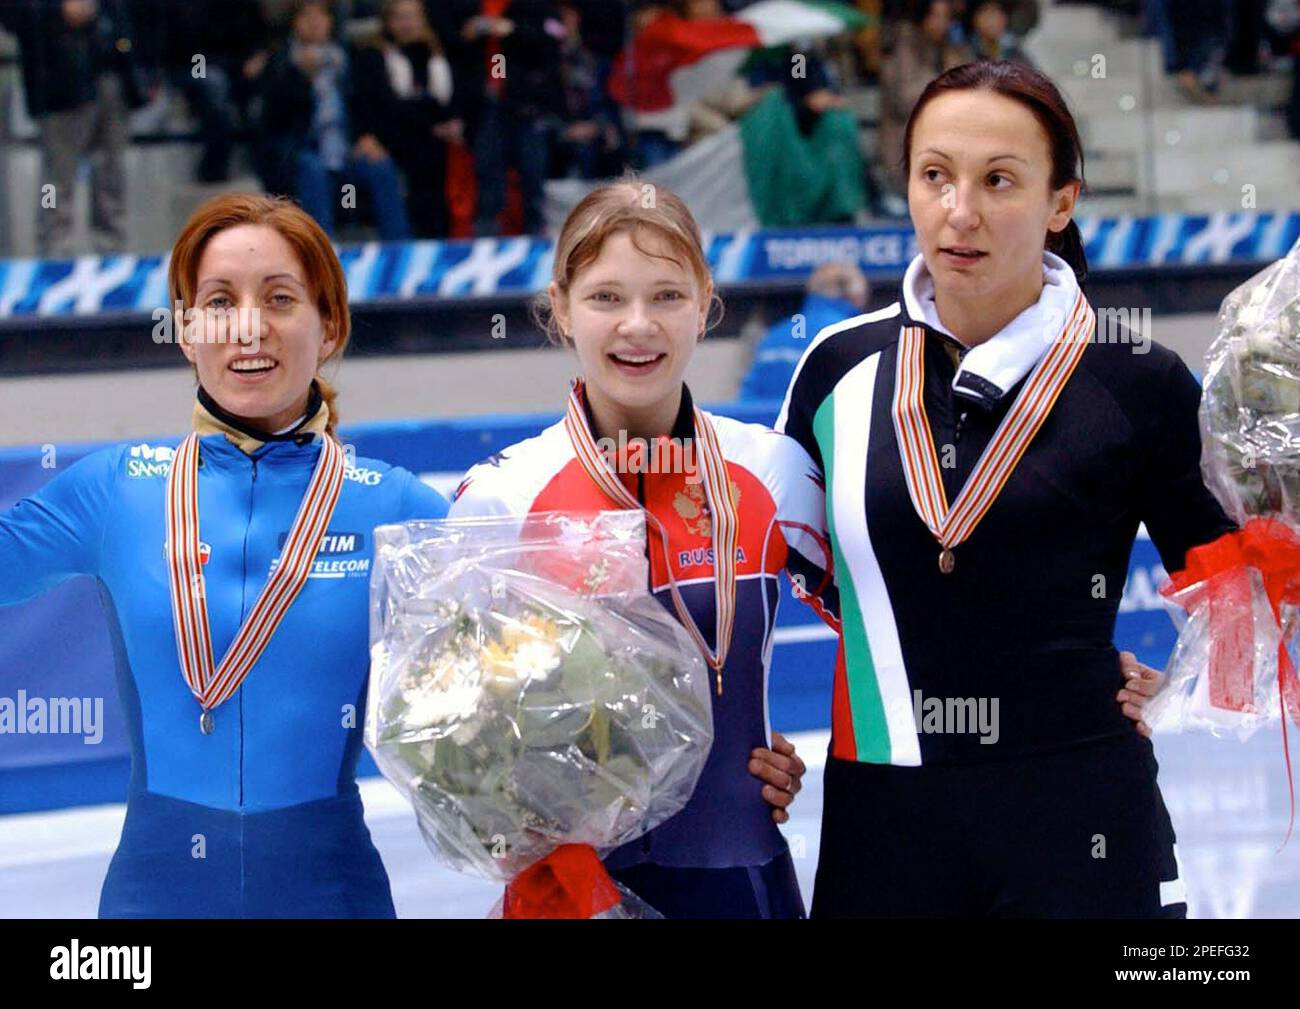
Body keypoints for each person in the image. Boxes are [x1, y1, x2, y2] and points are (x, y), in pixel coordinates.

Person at [777, 60, 1230, 918]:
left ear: (1063, 202)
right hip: (885, 818)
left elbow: (1236, 579)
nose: (961, 212)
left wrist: (1179, 685)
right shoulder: (836, 367)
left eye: (999, 181)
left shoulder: (1137, 378)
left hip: (1079, 807)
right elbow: (785, 568)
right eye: (935, 176)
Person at [0, 194, 448, 917]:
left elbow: (519, 647)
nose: (248, 327)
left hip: (330, 894)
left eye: (279, 298)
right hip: (154, 899)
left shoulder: (393, 506)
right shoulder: (116, 491)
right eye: (218, 301)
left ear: (329, 325)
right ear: (185, 330)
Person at [449, 178, 836, 918]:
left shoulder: (770, 472)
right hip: (568, 896)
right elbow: (452, 727)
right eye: (605, 298)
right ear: (560, 307)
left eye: (666, 295)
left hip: (740, 883)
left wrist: (1063, 668)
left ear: (705, 304)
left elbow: (896, 627)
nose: (638, 325)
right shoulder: (504, 495)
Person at [256, 0, 411, 239]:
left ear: (331, 22)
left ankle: (400, 253)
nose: (314, 23)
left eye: (321, 16)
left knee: (381, 168)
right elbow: (274, 120)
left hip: (347, 148)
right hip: (303, 150)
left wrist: (368, 136)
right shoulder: (280, 62)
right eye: (307, 17)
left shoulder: (351, 59)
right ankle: (321, 255)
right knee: (313, 170)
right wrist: (302, 80)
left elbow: (369, 104)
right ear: (295, 23)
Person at [7, 0, 152, 255]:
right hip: (59, 81)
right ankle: (53, 255)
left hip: (112, 75)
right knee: (55, 180)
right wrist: (57, 11)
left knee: (110, 173)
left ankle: (112, 254)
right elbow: (12, 14)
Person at [351, 0, 462, 238]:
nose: (407, 24)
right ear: (388, 22)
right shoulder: (372, 55)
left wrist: (449, 122)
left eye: (412, 17)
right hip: (390, 140)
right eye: (399, 17)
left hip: (430, 141)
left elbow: (450, 102)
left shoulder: (438, 54)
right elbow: (384, 108)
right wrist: (431, 119)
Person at [739, 263, 870, 401]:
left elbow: (749, 395)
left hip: (767, 420)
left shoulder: (774, 336)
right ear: (853, 295)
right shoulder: (851, 334)